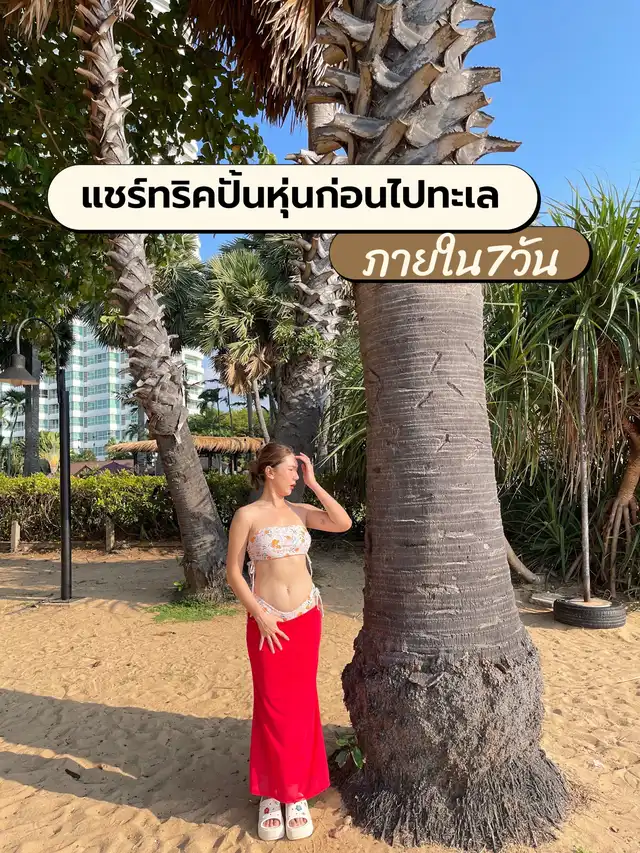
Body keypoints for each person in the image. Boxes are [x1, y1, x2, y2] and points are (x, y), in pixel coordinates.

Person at [226, 442, 352, 841]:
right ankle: (270, 793)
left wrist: (314, 484)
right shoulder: (247, 515)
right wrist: (259, 614)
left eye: (299, 471)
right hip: (267, 621)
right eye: (292, 470)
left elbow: (343, 522)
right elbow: (233, 572)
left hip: (306, 618)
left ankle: (296, 794)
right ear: (269, 471)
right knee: (270, 703)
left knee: (301, 702)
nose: (296, 476)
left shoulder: (300, 511)